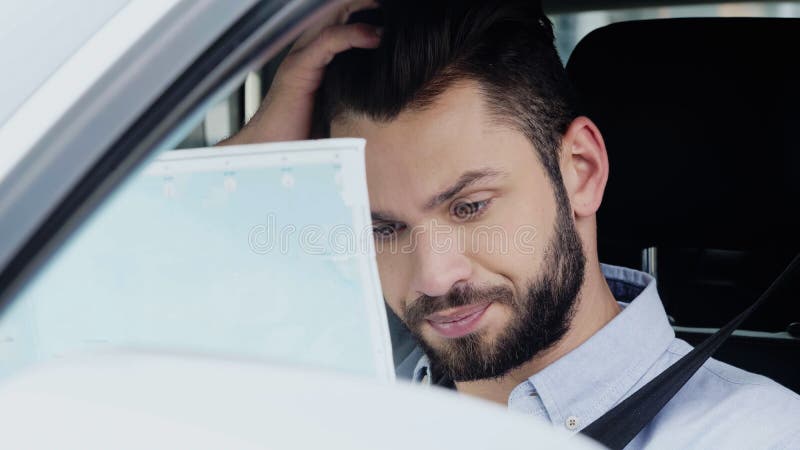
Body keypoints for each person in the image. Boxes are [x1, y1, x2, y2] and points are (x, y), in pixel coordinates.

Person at [224, 0, 800, 447]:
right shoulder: (338, 387)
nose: (433, 276)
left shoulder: (759, 437)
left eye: (470, 207)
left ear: (582, 170)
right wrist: (253, 162)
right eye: (384, 229)